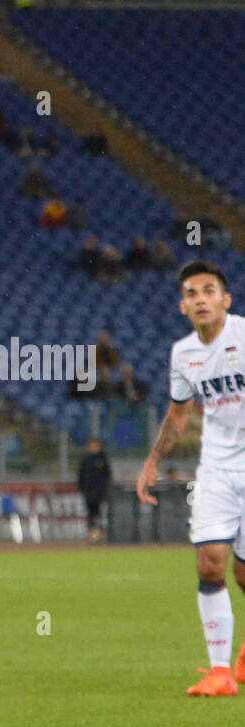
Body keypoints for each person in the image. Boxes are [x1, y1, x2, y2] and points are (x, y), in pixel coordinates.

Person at [138, 261, 245, 695]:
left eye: (209, 290)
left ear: (226, 299)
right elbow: (180, 412)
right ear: (183, 306)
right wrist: (152, 460)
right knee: (209, 562)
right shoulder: (183, 353)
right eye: (192, 293)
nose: (201, 298)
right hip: (217, 469)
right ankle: (220, 671)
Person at [77, 439, 111, 543]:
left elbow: (107, 475)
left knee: (99, 514)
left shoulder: (103, 459)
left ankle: (99, 534)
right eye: (91, 446)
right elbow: (81, 476)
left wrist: (105, 489)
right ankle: (93, 535)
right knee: (91, 514)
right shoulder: (86, 460)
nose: (93, 448)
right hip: (89, 491)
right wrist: (82, 489)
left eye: (95, 445)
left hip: (99, 491)